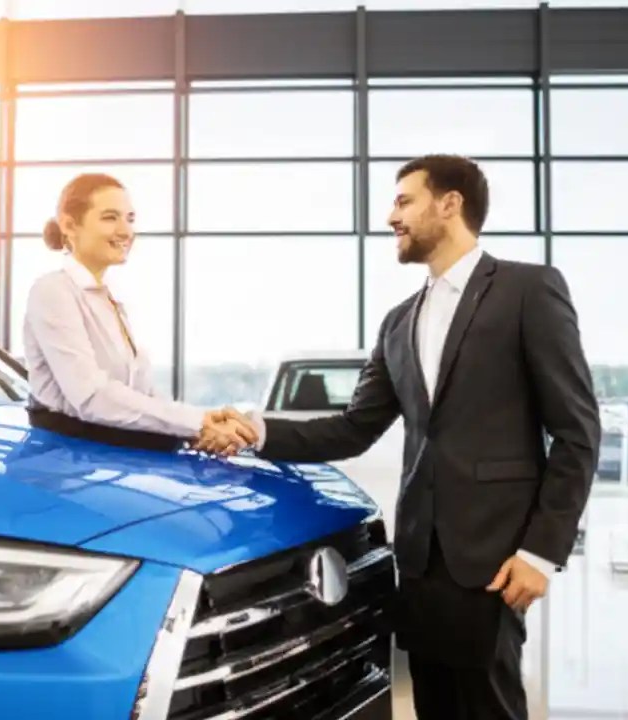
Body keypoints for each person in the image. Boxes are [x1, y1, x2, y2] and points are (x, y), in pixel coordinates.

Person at [202, 155, 600, 719]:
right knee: (433, 704)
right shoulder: (398, 320)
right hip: (418, 557)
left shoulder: (528, 290)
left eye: (403, 201)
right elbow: (351, 429)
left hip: (493, 553)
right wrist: (254, 429)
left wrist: (541, 551)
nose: (391, 216)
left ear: (450, 203)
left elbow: (578, 432)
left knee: (488, 704)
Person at [23, 172, 257, 454]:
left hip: (114, 457)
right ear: (70, 225)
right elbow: (92, 396)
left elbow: (140, 394)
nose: (125, 231)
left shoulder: (109, 296)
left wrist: (201, 421)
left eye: (130, 219)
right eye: (110, 218)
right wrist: (196, 423)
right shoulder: (52, 291)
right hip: (67, 462)